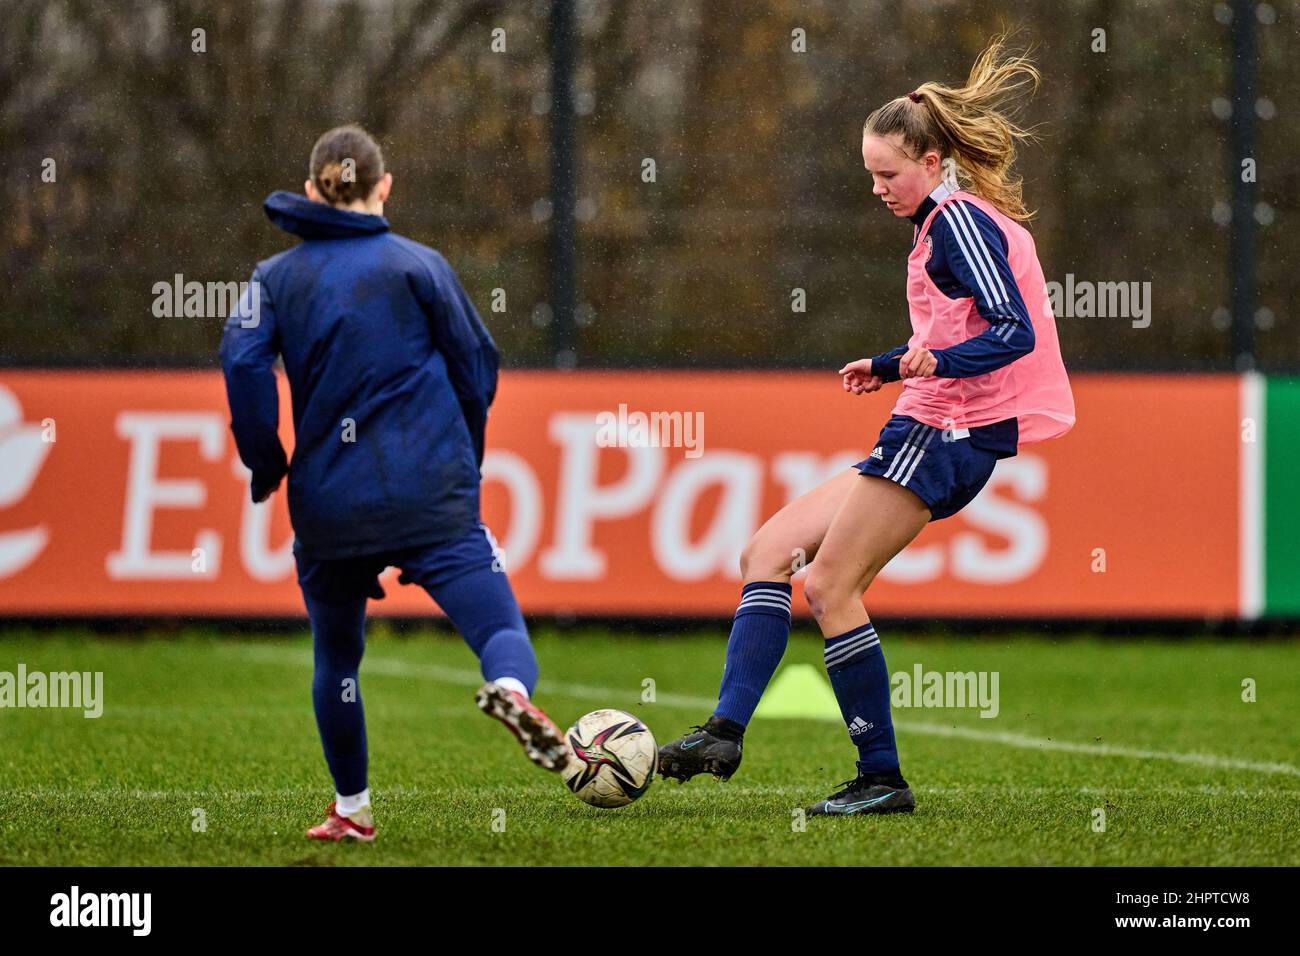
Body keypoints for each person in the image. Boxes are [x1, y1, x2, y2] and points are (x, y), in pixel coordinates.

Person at [657, 38, 1075, 816]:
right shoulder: (941, 223)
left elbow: (1011, 331)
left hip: (949, 432)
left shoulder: (957, 224)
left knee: (829, 585)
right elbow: (952, 331)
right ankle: (723, 731)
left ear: (930, 162)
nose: (878, 189)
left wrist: (926, 369)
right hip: (924, 419)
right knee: (767, 550)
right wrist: (889, 364)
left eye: (888, 174)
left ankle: (881, 777)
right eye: (870, 176)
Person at [219, 124, 567, 842]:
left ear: (315, 188)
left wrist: (268, 463)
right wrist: (463, 459)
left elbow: (244, 368)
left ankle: (352, 808)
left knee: (337, 658)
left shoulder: (271, 280)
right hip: (431, 494)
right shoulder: (422, 265)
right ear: (386, 185)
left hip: (329, 502)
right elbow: (478, 368)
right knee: (499, 628)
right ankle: (508, 690)